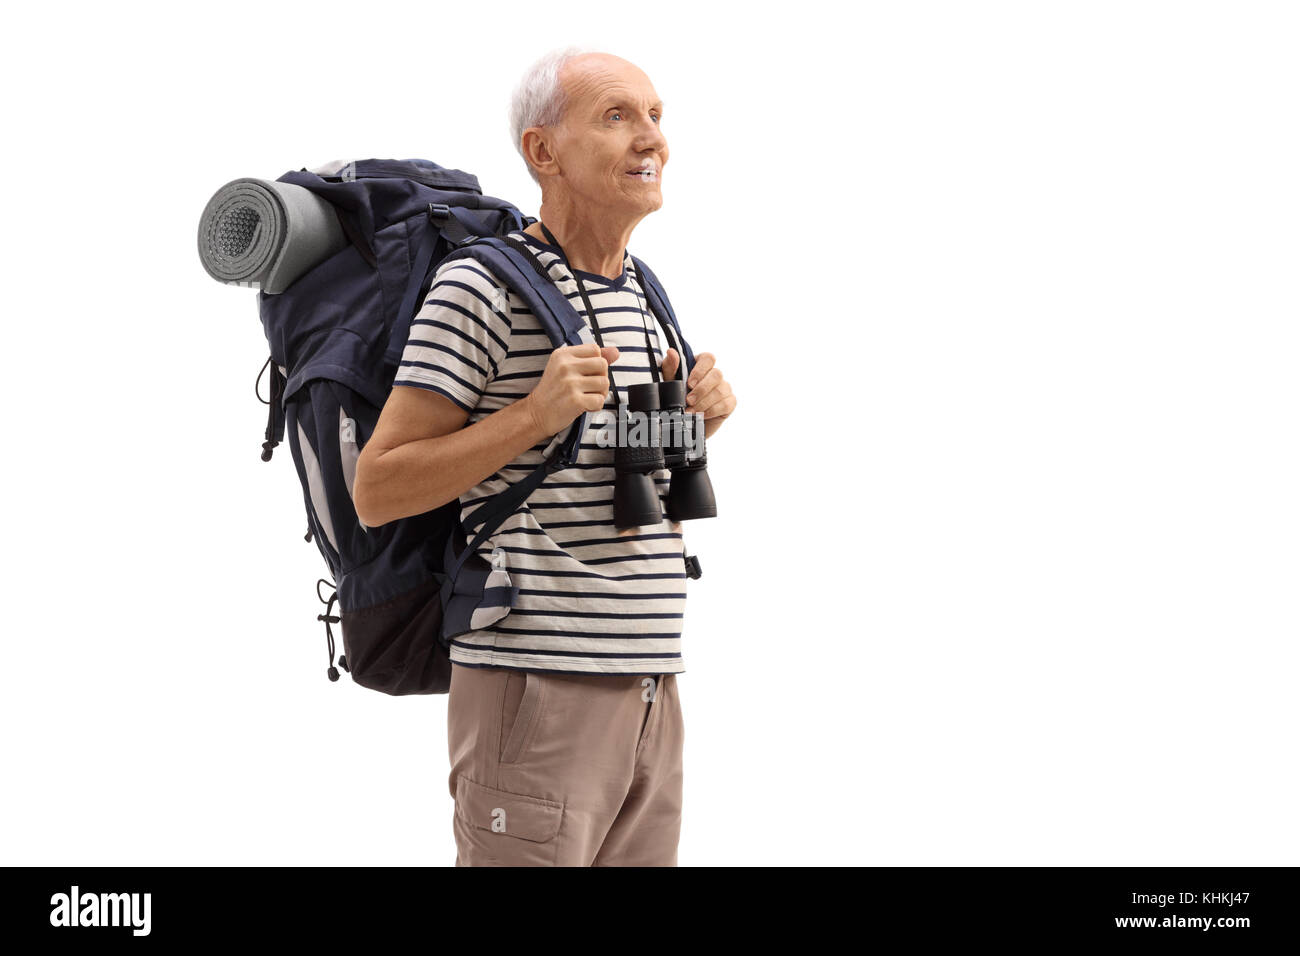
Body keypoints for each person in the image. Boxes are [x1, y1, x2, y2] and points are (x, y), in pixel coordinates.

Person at [353, 46, 737, 866]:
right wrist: (534, 412)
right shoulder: (479, 289)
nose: (652, 139)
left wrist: (698, 422)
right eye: (616, 116)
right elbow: (378, 488)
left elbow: (609, 475)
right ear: (543, 152)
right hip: (536, 690)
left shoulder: (644, 293)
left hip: (651, 689)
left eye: (657, 116)